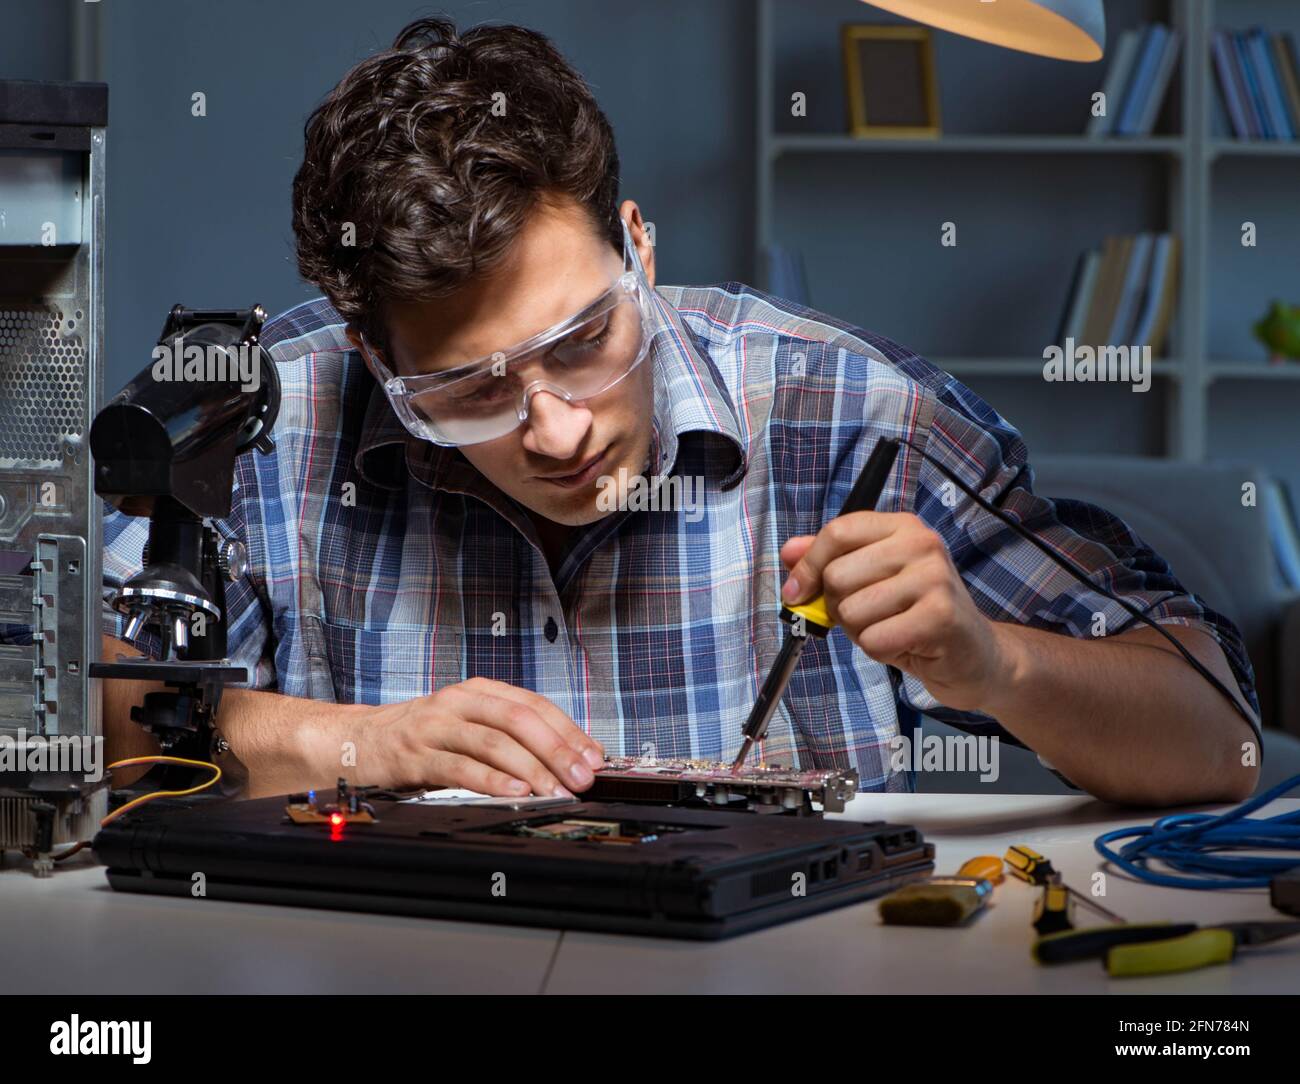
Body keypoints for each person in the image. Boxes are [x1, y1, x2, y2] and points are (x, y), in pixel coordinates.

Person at [102, 16, 1260, 805]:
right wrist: (359, 741)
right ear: (372, 354)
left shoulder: (850, 408)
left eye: (584, 341)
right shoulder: (275, 409)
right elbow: (65, 701)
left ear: (640, 251)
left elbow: (1222, 741)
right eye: (469, 389)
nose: (555, 429)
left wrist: (994, 667)